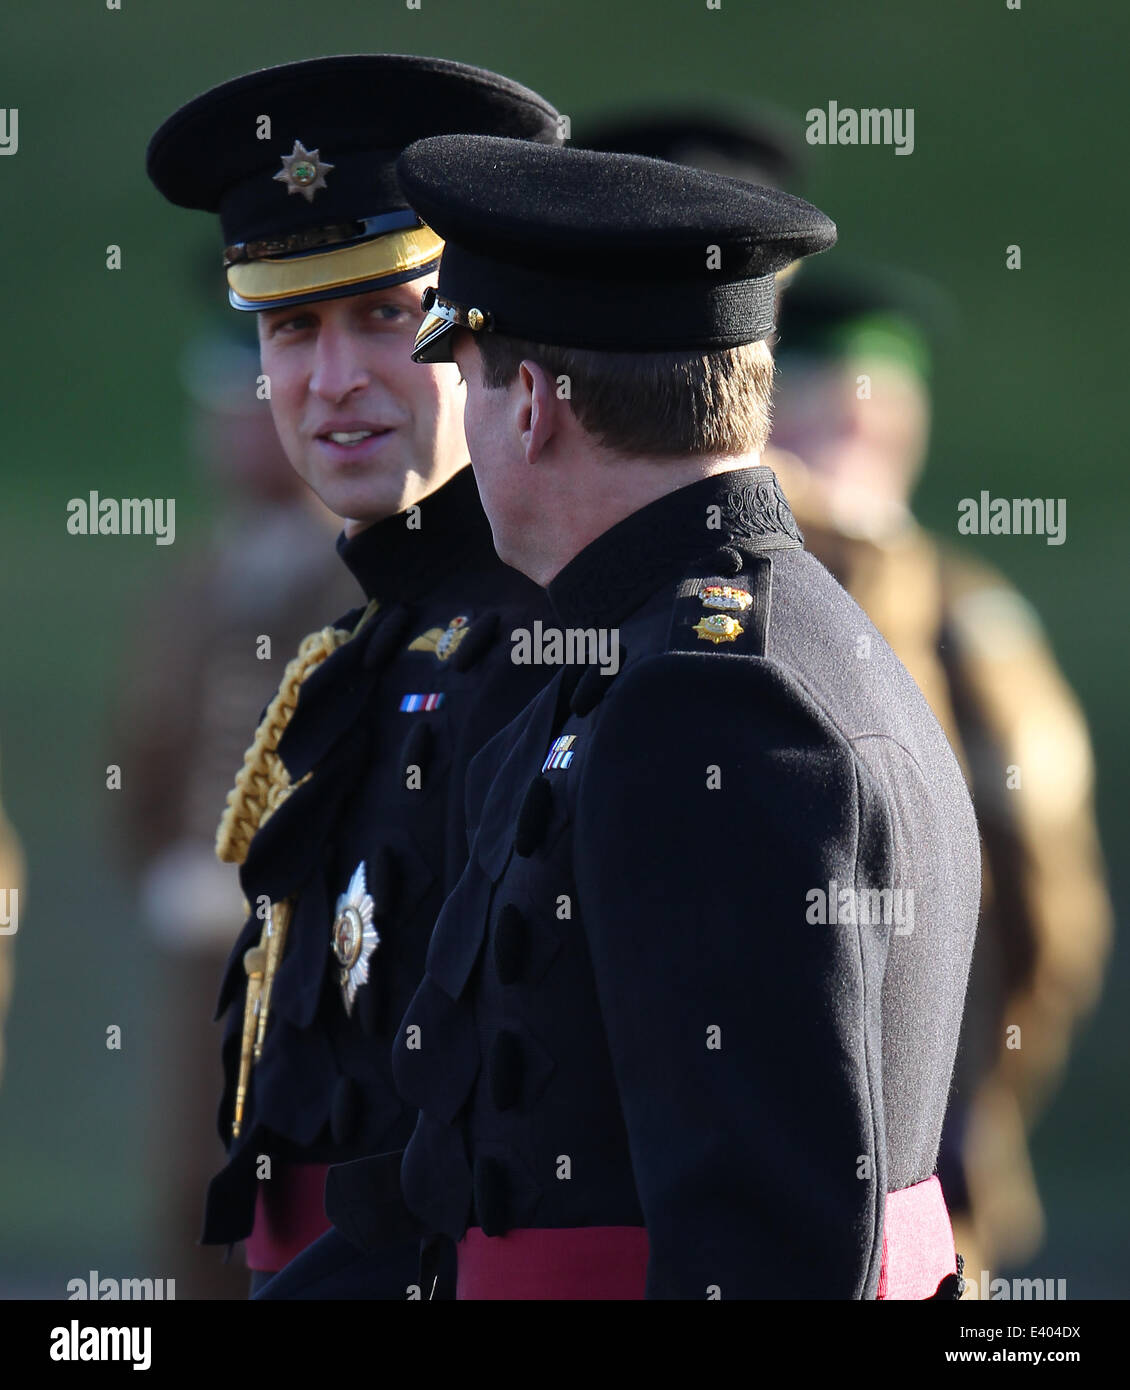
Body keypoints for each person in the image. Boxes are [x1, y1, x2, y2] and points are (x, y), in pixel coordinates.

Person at [381, 133, 981, 1298]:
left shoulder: (702, 703)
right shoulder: (758, 632)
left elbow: (762, 1241)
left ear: (533, 408)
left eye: (469, 378)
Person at [145, 54, 562, 1297]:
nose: (332, 383)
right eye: (289, 327)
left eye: (387, 314)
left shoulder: (562, 638)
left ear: (486, 330)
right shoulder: (362, 644)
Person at [769, 264, 1113, 1282]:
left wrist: (967, 1117)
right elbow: (1052, 920)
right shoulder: (963, 603)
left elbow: (1046, 912)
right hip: (924, 1181)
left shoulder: (959, 614)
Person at [107, 316, 359, 1299]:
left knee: (296, 1205)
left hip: (314, 952)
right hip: (199, 953)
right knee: (189, 1188)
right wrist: (163, 866)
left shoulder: (355, 570)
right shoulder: (194, 580)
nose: (231, 434)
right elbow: (138, 752)